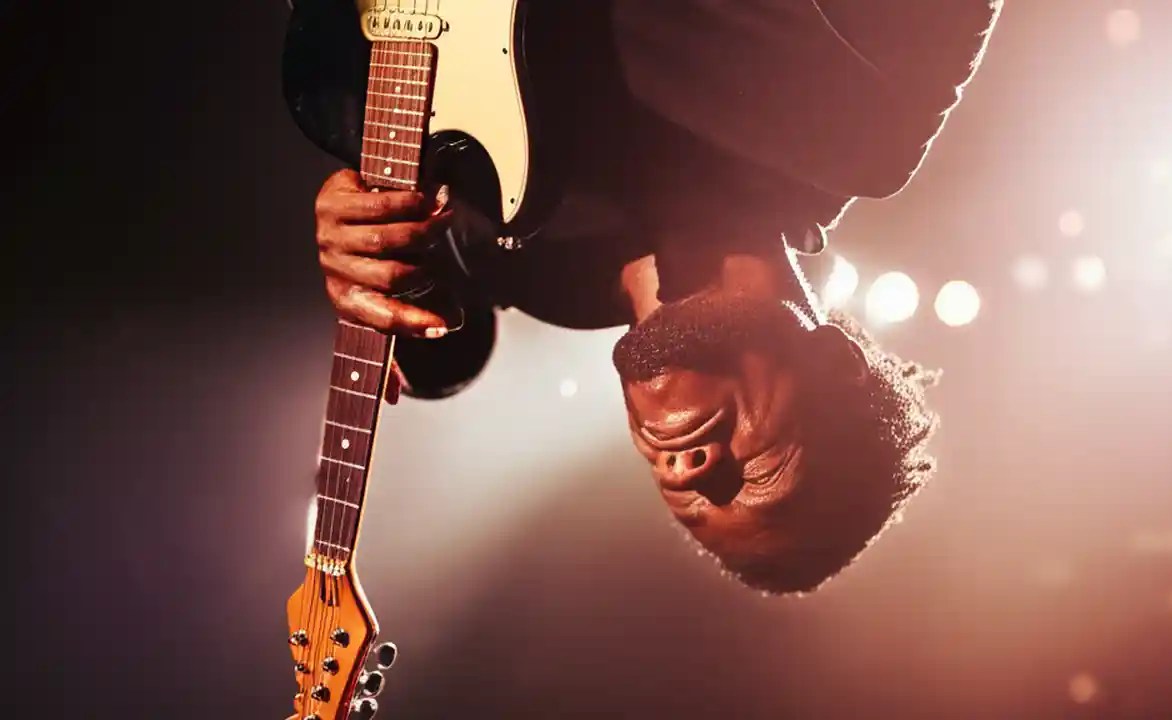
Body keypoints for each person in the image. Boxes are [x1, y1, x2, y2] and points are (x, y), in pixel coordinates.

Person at [310, 1, 1002, 593]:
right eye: (755, 474)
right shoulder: (869, 121)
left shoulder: (493, 264)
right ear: (838, 366)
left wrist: (358, 200)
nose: (693, 470)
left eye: (693, 505)